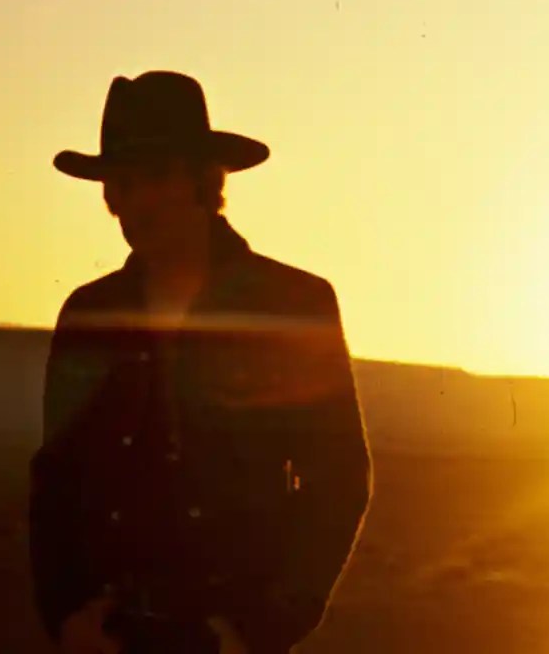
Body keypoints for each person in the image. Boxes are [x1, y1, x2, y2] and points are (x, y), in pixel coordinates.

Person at [29, 70, 372, 654]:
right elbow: (56, 482)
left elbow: (338, 478)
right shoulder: (90, 314)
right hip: (110, 634)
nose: (136, 202)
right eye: (121, 183)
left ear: (200, 180)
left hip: (229, 632)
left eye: (154, 177)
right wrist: (67, 618)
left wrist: (262, 629)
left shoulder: (292, 305)